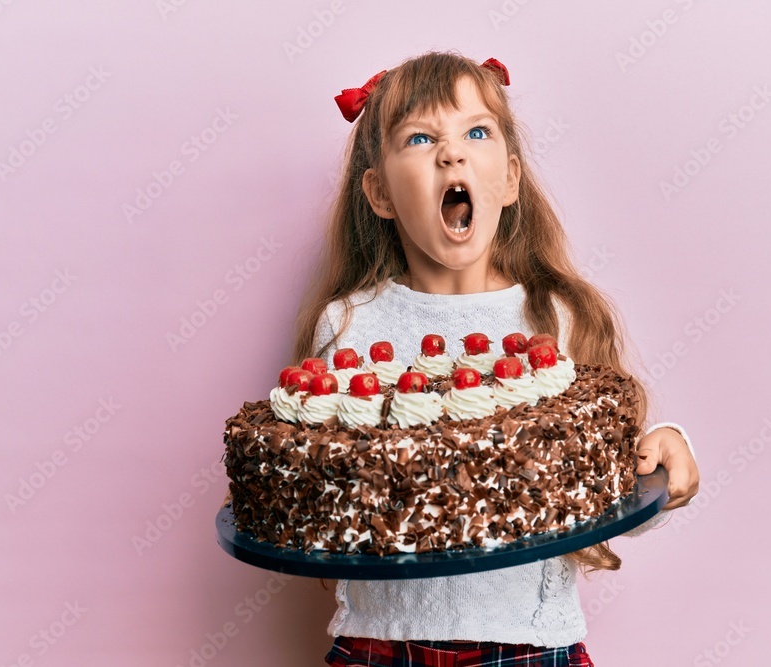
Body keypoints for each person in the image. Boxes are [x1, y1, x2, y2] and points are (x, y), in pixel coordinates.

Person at [288, 51, 700, 667]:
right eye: (420, 138)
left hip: (529, 644)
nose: (451, 155)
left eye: (475, 132)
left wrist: (664, 453)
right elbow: (321, 491)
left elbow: (600, 493)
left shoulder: (555, 317)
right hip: (379, 642)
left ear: (508, 179)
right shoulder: (349, 324)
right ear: (379, 193)